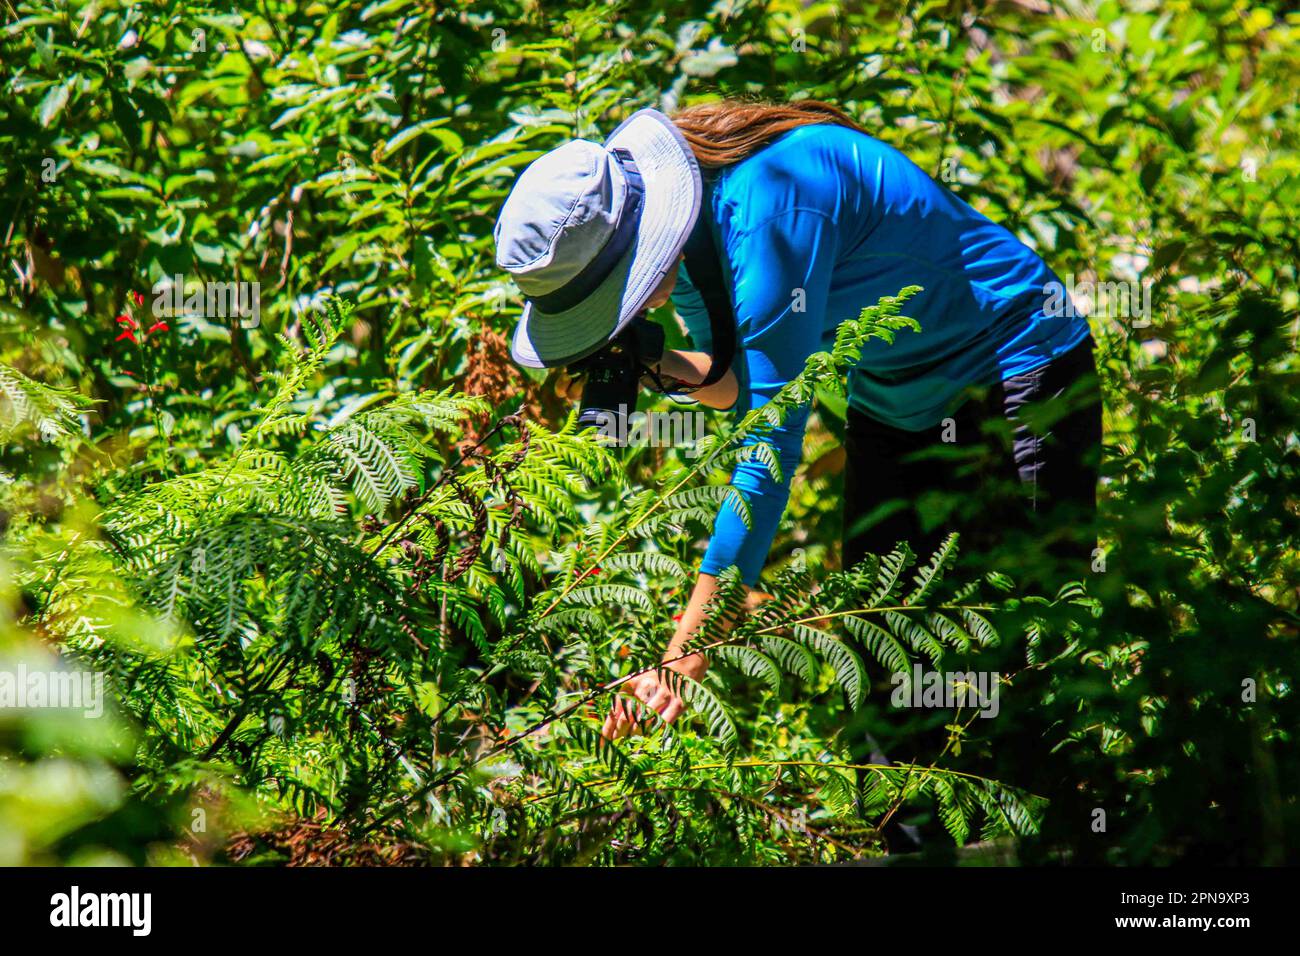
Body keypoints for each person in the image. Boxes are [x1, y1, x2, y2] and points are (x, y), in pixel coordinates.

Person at [492, 100, 1100, 741]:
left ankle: (1079, 823)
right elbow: (737, 387)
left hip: (1020, 364)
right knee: (889, 663)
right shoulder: (692, 238)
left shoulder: (773, 213)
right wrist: (653, 356)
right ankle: (918, 839)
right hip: (897, 398)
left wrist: (684, 656)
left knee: (1031, 647)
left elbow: (766, 460)